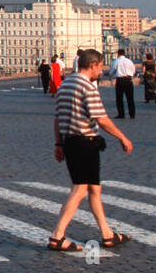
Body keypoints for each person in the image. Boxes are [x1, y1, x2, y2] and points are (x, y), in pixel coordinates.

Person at [47, 49, 134, 252]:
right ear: (93, 65)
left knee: (94, 188)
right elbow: (101, 119)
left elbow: (57, 119)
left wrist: (58, 144)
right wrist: (123, 137)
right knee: (80, 189)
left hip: (69, 141)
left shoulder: (65, 84)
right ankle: (57, 236)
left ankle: (107, 234)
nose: (101, 70)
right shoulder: (87, 87)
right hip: (85, 142)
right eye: (101, 66)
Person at [108, 48, 136, 119]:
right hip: (128, 80)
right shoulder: (129, 61)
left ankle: (121, 114)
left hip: (120, 81)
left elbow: (112, 70)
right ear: (124, 54)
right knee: (130, 98)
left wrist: (110, 76)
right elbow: (133, 70)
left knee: (119, 98)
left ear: (118, 54)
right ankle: (132, 114)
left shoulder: (116, 61)